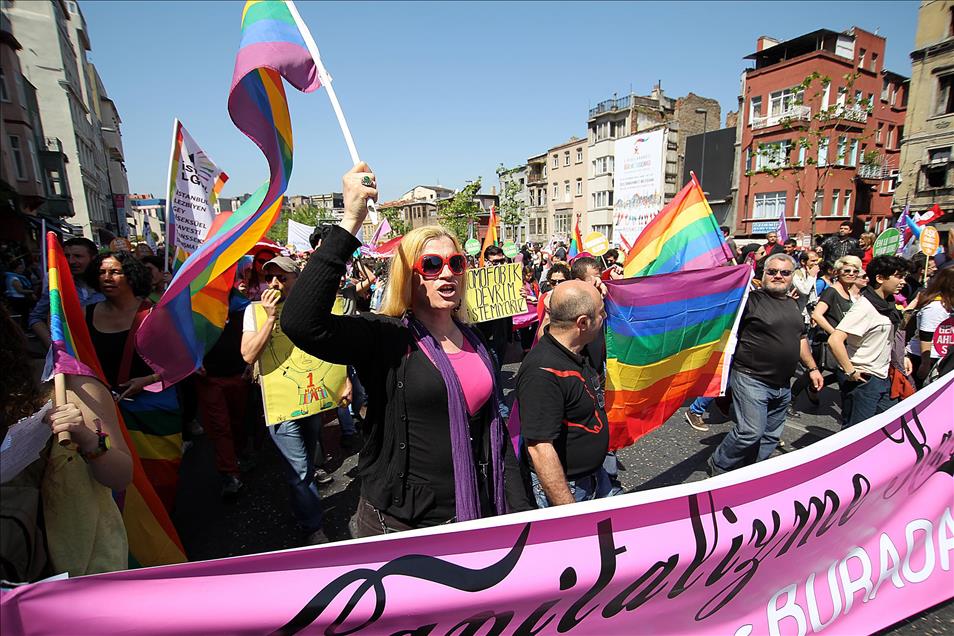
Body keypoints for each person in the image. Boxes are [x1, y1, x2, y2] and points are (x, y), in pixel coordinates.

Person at [281, 163, 531, 537]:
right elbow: (301, 323)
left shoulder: (475, 340)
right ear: (410, 276)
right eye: (431, 264)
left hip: (474, 510)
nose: (447, 273)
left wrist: (526, 517)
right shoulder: (387, 336)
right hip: (399, 525)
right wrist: (350, 219)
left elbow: (492, 429)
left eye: (455, 263)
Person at [240, 255, 331, 544]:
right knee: (300, 469)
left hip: (310, 395)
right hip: (280, 404)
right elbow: (248, 354)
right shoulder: (253, 313)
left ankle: (305, 506)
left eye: (282, 277)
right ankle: (313, 526)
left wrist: (341, 385)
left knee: (308, 454)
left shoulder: (311, 308)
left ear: (297, 280)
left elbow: (327, 348)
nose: (275, 284)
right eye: (270, 278)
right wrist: (269, 318)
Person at [707, 254, 823, 475]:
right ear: (763, 274)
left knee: (770, 436)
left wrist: (813, 368)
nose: (778, 276)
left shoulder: (793, 304)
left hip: (782, 384)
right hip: (751, 379)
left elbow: (800, 339)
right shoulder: (750, 301)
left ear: (792, 277)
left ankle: (749, 473)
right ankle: (720, 464)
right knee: (750, 432)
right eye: (772, 271)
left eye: (785, 272)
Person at [84, 251, 183, 512]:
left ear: (131, 276)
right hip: (106, 411)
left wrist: (147, 380)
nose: (107, 277)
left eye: (115, 272)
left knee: (158, 481)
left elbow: (180, 362)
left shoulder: (155, 313)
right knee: (117, 486)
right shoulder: (86, 315)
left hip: (154, 410)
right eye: (102, 272)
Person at [517, 280, 613, 506]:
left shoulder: (577, 346)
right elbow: (540, 448)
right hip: (567, 489)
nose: (605, 317)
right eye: (601, 313)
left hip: (592, 477)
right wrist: (568, 511)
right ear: (582, 322)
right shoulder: (542, 372)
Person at [827, 255, 913, 428]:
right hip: (865, 378)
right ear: (880, 278)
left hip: (883, 376)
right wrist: (851, 372)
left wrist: (901, 356)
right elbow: (835, 340)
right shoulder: (865, 307)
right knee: (857, 433)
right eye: (898, 276)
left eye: (904, 276)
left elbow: (888, 337)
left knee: (885, 428)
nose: (902, 281)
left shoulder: (888, 304)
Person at [197, 290, 251, 499]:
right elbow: (184, 336)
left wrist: (251, 363)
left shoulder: (243, 304)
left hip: (239, 374)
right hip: (209, 378)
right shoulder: (194, 304)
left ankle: (239, 452)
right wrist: (193, 361)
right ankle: (229, 473)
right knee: (220, 426)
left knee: (238, 421)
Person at [790, 256, 861, 415]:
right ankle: (791, 399)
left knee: (835, 374)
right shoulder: (832, 291)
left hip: (842, 343)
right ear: (837, 272)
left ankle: (812, 390)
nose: (851, 274)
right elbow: (817, 315)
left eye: (855, 271)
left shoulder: (850, 292)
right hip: (825, 342)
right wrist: (835, 333)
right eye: (847, 271)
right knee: (814, 372)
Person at [30, 237, 104, 349]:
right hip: (74, 356)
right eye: (67, 256)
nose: (71, 261)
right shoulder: (57, 288)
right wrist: (55, 347)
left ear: (93, 258)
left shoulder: (108, 285)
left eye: (78, 256)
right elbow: (36, 318)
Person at [909, 268, 954, 386]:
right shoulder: (935, 307)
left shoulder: (949, 305)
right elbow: (926, 335)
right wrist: (925, 363)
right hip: (925, 358)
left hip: (942, 356)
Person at [476, 244, 513, 369]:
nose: (500, 264)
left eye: (502, 261)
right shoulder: (477, 280)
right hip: (486, 334)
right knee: (494, 370)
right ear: (487, 262)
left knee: (498, 366)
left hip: (502, 332)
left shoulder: (509, 278)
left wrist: (520, 294)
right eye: (496, 262)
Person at [4, 258, 35, 328]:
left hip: (17, 298)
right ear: (15, 269)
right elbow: (20, 290)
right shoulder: (14, 278)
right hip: (17, 299)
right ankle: (26, 327)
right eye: (20, 268)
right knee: (25, 313)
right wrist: (31, 291)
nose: (22, 270)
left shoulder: (11, 277)